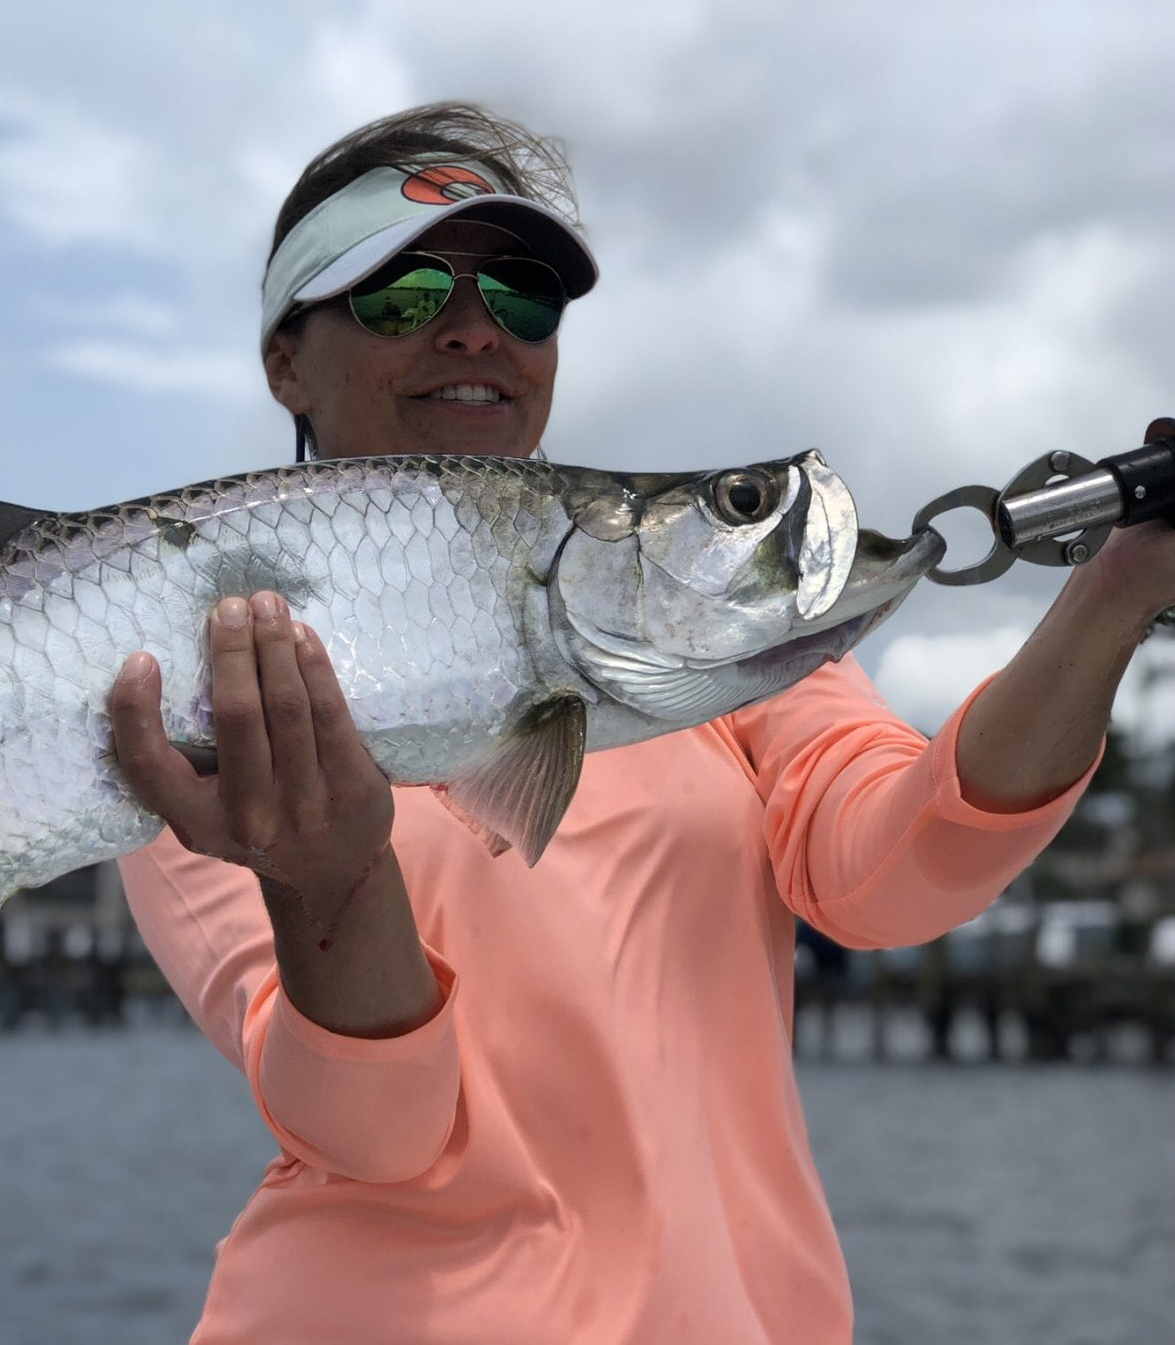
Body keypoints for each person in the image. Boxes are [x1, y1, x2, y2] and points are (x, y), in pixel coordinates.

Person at [105, 103, 1171, 1342]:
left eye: (523, 297)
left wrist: (1121, 587)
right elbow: (375, 1130)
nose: (474, 328)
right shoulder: (193, 682)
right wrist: (329, 882)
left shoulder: (698, 614)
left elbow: (901, 871)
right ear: (286, 361)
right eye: (402, 295)